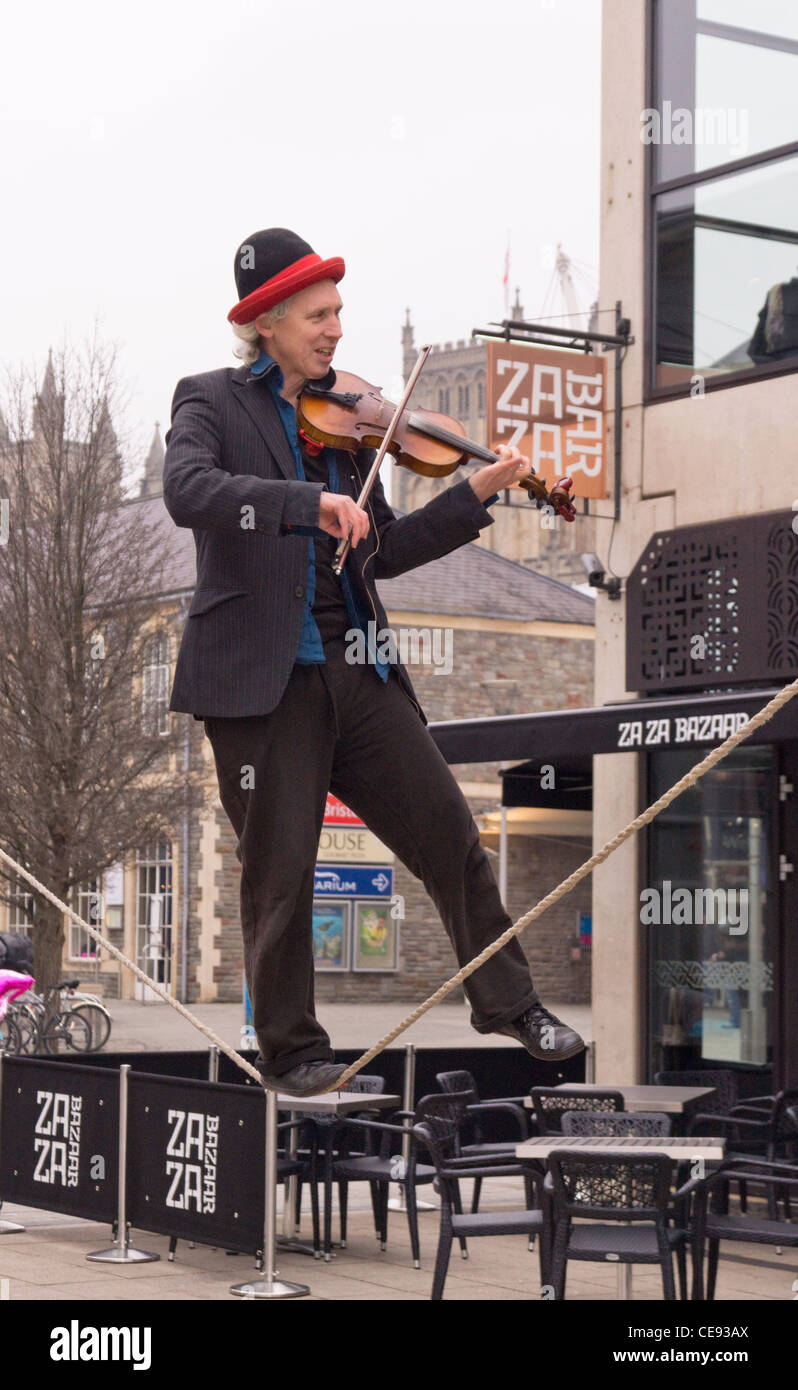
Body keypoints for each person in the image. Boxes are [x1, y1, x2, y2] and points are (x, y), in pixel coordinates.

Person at [163, 227, 585, 1096]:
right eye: (318, 315)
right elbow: (187, 492)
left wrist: (470, 497)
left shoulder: (347, 423)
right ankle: (296, 1056)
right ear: (269, 321)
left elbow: (380, 552)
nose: (335, 330)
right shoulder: (207, 400)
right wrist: (303, 504)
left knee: (451, 836)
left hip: (358, 665)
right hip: (261, 681)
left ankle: (511, 1005)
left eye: (339, 312)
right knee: (280, 874)